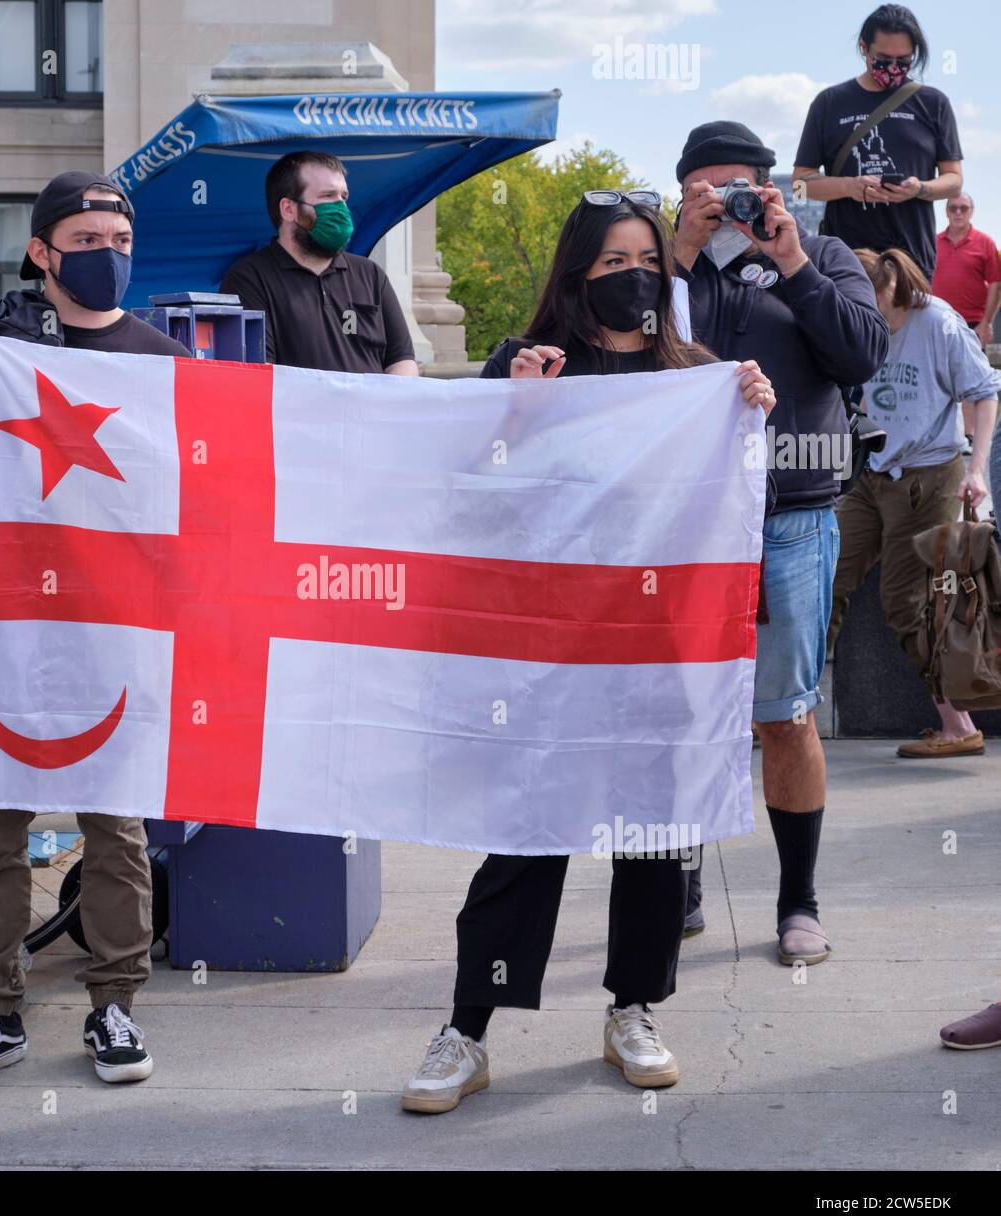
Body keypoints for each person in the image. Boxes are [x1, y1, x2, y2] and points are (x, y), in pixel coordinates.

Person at [399, 191, 776, 1113]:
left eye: (645, 259)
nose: (633, 275)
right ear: (576, 274)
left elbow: (725, 504)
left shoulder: (694, 376)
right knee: (525, 837)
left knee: (650, 833)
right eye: (612, 263)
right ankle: (469, 1027)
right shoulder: (527, 368)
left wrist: (751, 410)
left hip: (651, 651)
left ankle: (632, 1007)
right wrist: (513, 412)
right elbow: (463, 488)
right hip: (546, 654)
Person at [0, 171, 190, 1089]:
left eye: (120, 238)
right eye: (88, 239)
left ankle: (114, 1009)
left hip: (114, 632)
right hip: (1, 628)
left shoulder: (162, 360)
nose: (109, 255)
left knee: (116, 831)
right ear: (41, 252)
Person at [673, 121, 889, 966]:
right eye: (709, 188)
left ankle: (797, 899)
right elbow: (619, 351)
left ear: (772, 188)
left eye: (744, 187)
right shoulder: (657, 266)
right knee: (684, 715)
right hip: (684, 521)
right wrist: (681, 256)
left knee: (784, 716)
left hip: (792, 513)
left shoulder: (823, 256)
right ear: (682, 190)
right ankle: (677, 882)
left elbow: (862, 353)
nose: (729, 203)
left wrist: (791, 259)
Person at [829, 247, 1000, 758]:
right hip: (871, 471)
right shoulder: (856, 325)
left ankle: (958, 725)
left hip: (931, 473)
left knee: (906, 600)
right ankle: (784, 712)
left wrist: (977, 471)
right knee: (824, 576)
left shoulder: (937, 321)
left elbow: (986, 391)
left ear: (883, 290)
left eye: (861, 301)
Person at [793, 4, 963, 283]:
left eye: (904, 60)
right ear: (864, 48)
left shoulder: (934, 103)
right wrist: (849, 187)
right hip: (846, 262)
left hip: (912, 261)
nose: (893, 68)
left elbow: (954, 181)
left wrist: (918, 188)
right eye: (883, 59)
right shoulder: (829, 103)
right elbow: (799, 188)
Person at [221, 151, 418, 375]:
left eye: (343, 197)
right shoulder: (249, 278)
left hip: (374, 409)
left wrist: (387, 403)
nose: (341, 208)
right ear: (288, 209)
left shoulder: (370, 274)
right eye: (327, 196)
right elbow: (260, 374)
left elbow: (402, 360)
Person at [932, 193, 1000, 441]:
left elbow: (995, 283)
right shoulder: (933, 241)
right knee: (938, 378)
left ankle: (970, 435)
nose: (958, 212)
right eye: (953, 208)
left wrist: (987, 321)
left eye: (963, 208)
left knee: (972, 379)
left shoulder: (985, 243)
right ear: (946, 212)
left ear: (971, 211)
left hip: (972, 323)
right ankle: (946, 434)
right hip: (937, 322)